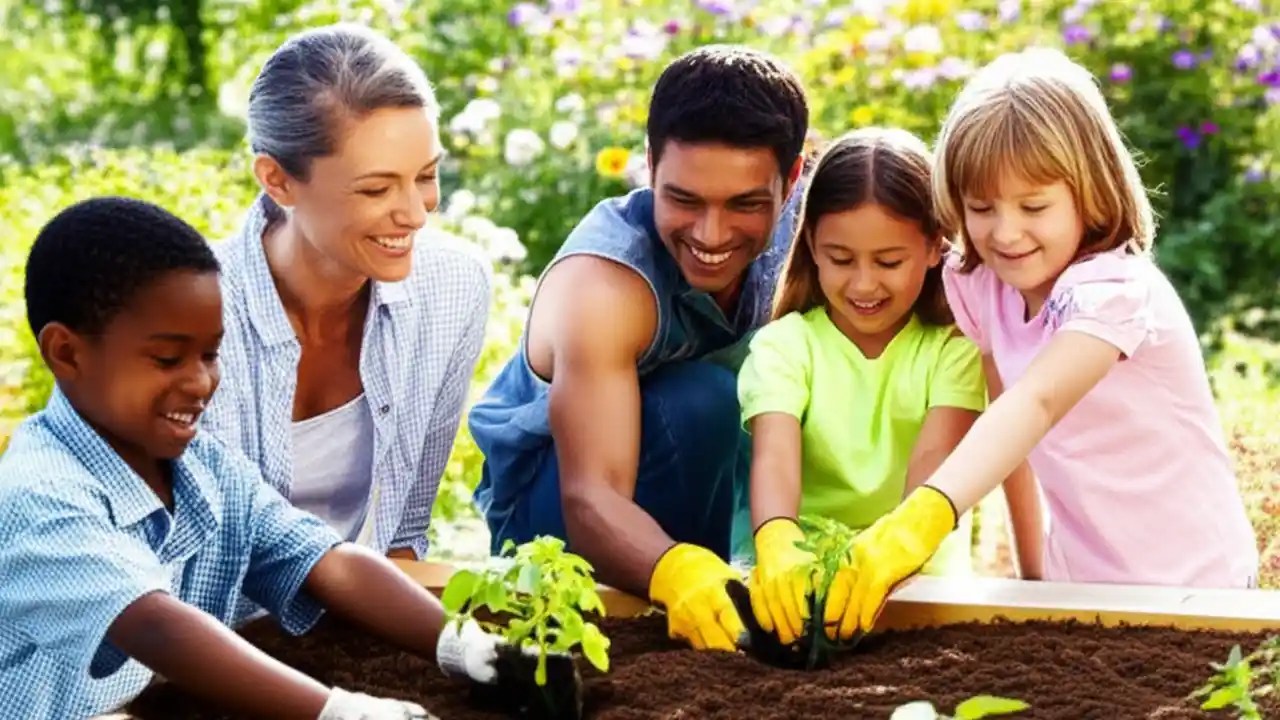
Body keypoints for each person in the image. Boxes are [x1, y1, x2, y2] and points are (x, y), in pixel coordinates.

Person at [0, 197, 531, 720]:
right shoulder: (40, 496)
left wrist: (466, 647)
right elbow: (155, 627)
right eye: (167, 359)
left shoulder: (202, 466)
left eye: (210, 354)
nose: (200, 381)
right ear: (66, 353)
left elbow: (323, 558)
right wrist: (341, 712)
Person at [820, 47, 1260, 643]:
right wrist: (1034, 576)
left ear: (1090, 190)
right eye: (981, 208)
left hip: (1194, 587)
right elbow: (1011, 437)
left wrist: (918, 521)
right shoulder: (984, 285)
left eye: (1033, 206)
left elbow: (1039, 403)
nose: (1005, 232)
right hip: (1081, 586)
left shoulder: (1115, 291)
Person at [467, 44, 809, 652]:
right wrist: (680, 573)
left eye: (745, 205)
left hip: (698, 489)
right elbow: (590, 497)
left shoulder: (806, 228)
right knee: (700, 401)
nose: (711, 234)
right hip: (557, 522)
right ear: (648, 165)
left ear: (794, 177)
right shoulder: (605, 285)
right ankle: (714, 609)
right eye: (683, 199)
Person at [738, 127, 1044, 646]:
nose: (863, 284)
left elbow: (931, 472)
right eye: (840, 259)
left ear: (933, 248)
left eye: (888, 262)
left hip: (922, 587)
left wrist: (887, 560)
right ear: (811, 244)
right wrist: (777, 542)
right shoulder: (785, 346)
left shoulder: (952, 348)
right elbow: (774, 460)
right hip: (800, 589)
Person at [202, 23, 491, 561]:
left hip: (353, 621)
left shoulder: (452, 289)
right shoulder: (192, 309)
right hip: (198, 630)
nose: (414, 212)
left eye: (426, 175)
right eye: (376, 189)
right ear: (278, 180)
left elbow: (403, 536)